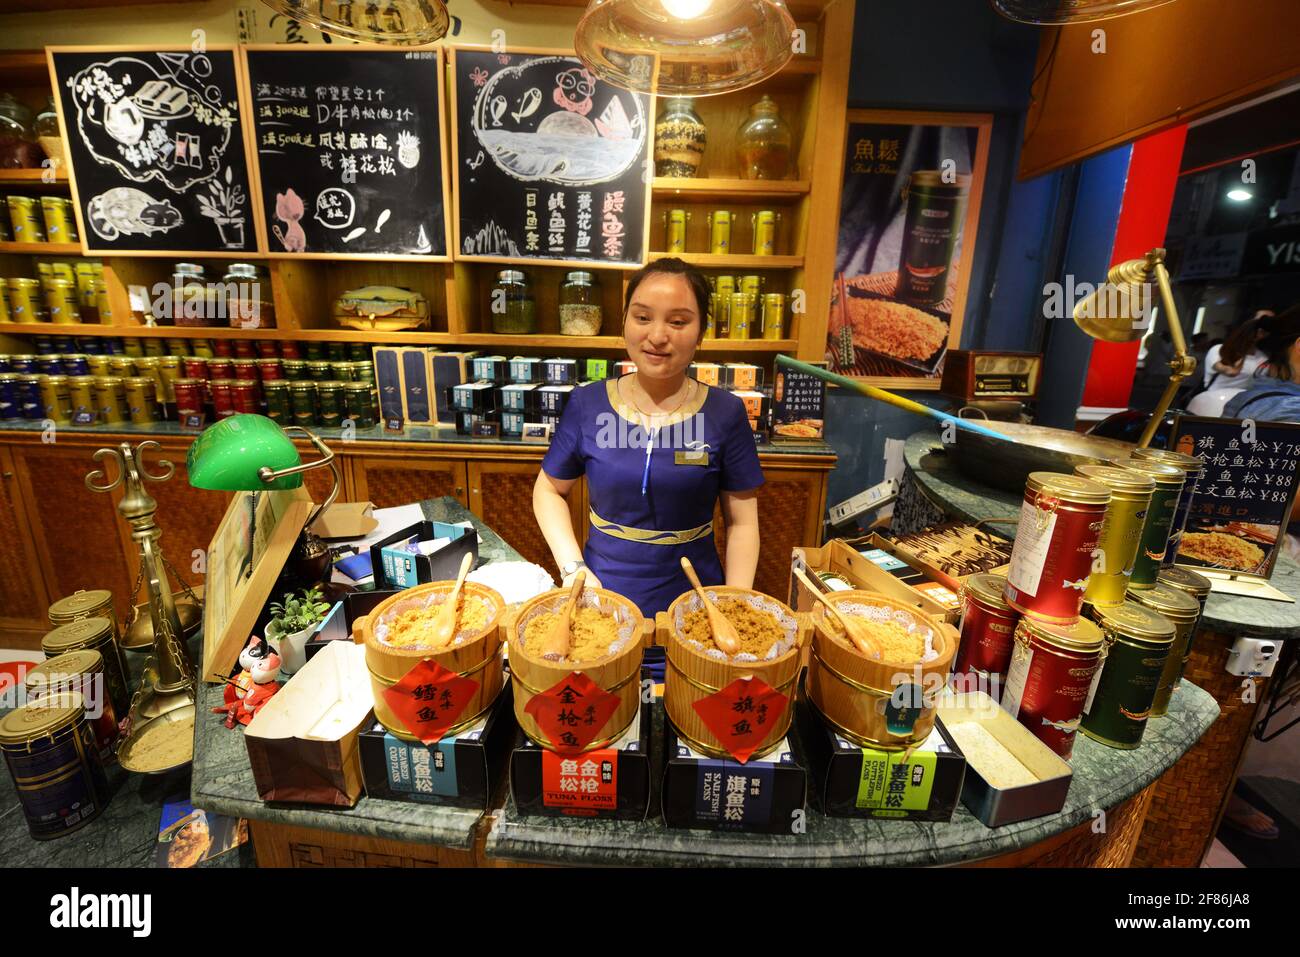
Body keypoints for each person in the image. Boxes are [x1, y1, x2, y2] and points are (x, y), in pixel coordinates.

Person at [532, 257, 764, 616]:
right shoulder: (587, 403)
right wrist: (573, 569)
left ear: (701, 331)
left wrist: (733, 604)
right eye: (642, 317)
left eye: (678, 321)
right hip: (602, 601)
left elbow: (743, 523)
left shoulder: (725, 413)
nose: (657, 336)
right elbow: (549, 489)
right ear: (625, 321)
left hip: (696, 604)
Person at [1204, 310, 1270, 391]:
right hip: (1213, 398)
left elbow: (1260, 384)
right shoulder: (1219, 350)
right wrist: (1245, 347)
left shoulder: (1263, 358)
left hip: (1240, 401)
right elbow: (1232, 372)